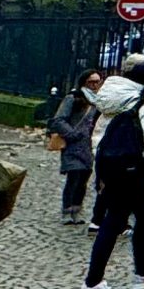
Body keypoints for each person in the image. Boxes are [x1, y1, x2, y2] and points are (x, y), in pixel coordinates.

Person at [78, 57, 144, 289]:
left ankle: (142, 272)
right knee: (115, 220)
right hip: (132, 167)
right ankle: (92, 284)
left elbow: (99, 133)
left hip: (110, 165)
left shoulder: (111, 97)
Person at [47, 68, 104, 225]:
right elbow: (58, 120)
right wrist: (72, 133)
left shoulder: (99, 101)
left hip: (89, 146)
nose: (94, 85)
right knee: (74, 177)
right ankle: (67, 210)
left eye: (97, 82)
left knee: (83, 179)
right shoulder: (73, 98)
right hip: (73, 145)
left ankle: (77, 209)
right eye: (91, 82)